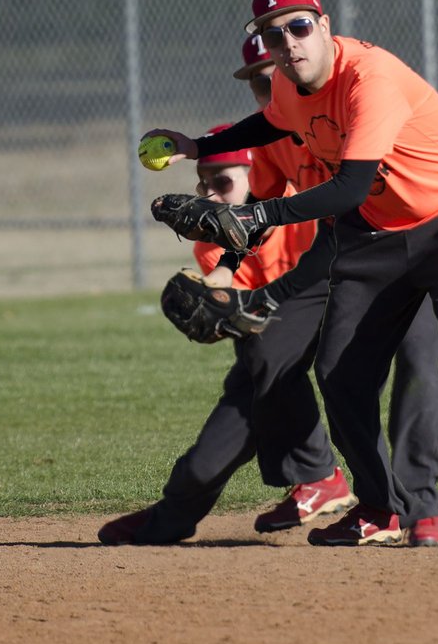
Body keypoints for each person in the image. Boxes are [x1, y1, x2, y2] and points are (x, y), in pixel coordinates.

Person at [144, 0, 438, 547]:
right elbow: (273, 122)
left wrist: (257, 216)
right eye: (274, 35)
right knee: (340, 372)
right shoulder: (287, 84)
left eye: (298, 27)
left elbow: (349, 188)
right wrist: (199, 146)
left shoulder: (370, 79)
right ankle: (380, 505)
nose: (288, 43)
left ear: (323, 24)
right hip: (375, 231)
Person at [98, 122, 354, 545]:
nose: (211, 193)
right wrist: (217, 317)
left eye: (223, 181)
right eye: (204, 184)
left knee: (271, 353)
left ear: (262, 175)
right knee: (204, 460)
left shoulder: (302, 209)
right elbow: (245, 324)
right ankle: (171, 516)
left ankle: (325, 477)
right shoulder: (211, 244)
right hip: (265, 346)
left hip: (329, 309)